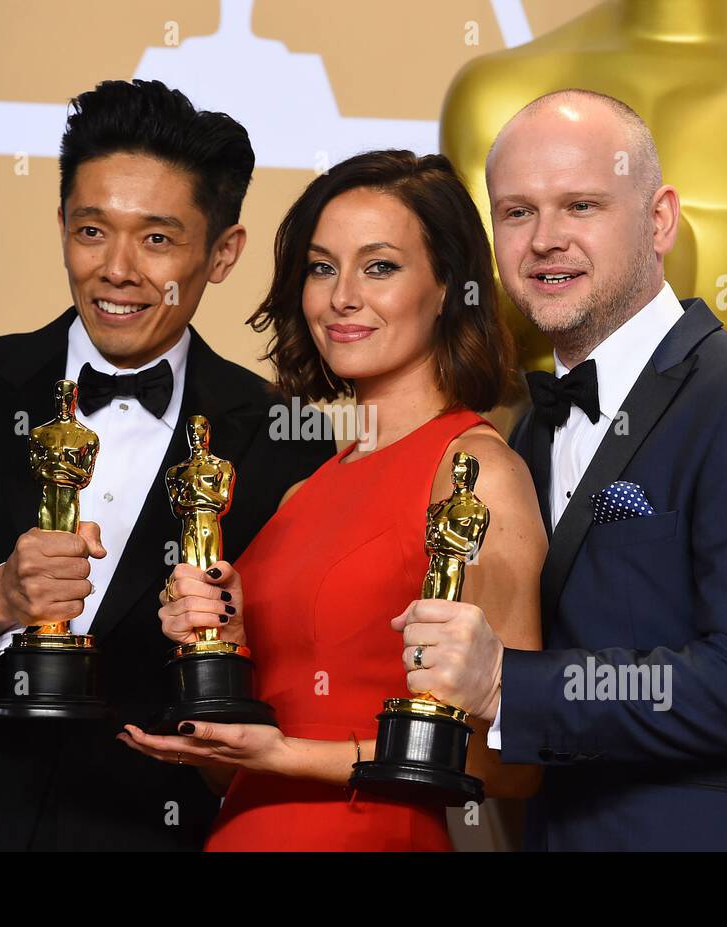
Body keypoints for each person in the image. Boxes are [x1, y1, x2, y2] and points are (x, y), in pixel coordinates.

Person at [0, 79, 334, 851]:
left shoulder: (290, 437)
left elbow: (287, 699)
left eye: (159, 239)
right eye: (92, 230)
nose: (118, 270)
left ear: (223, 252)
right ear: (62, 225)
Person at [403, 89, 727, 851]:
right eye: (517, 213)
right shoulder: (523, 435)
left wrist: (508, 684)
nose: (545, 240)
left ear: (659, 220)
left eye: (581, 206)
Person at [119, 150, 545, 851]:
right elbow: (235, 773)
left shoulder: (473, 472)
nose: (342, 295)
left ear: (447, 287)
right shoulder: (304, 489)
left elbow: (510, 762)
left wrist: (287, 756)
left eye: (379, 266)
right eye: (322, 267)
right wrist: (215, 662)